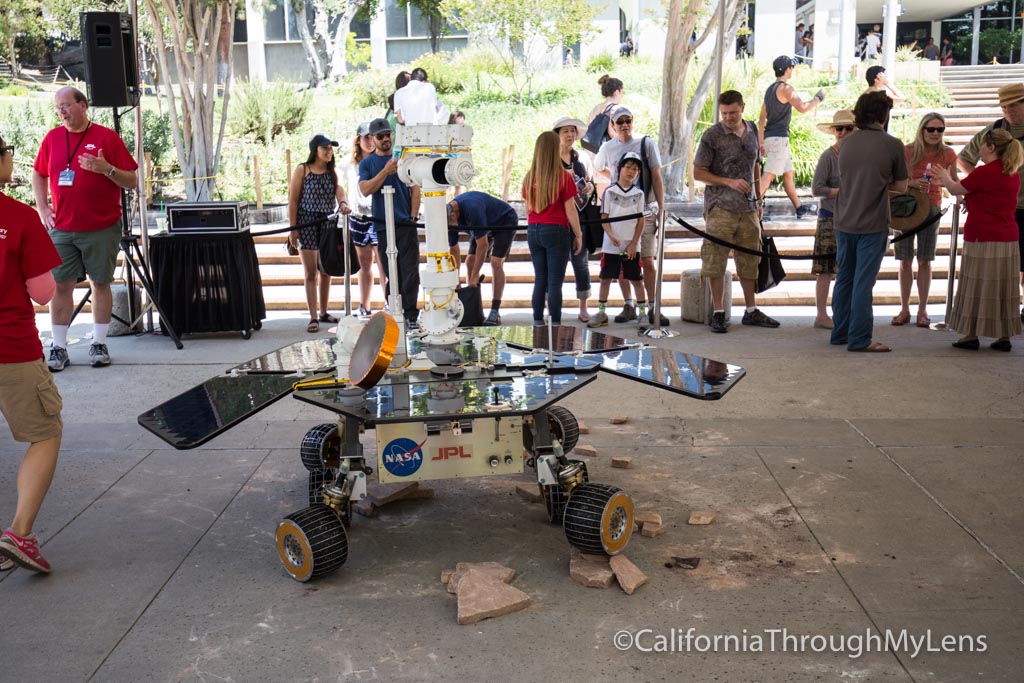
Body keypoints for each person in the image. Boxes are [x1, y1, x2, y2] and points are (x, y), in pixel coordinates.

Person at [31, 86, 138, 371]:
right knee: (61, 285)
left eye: (66, 105)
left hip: (101, 227)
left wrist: (108, 170)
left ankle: (99, 343)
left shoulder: (107, 138)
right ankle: (58, 347)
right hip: (63, 228)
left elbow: (132, 181)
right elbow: (38, 173)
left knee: (100, 283)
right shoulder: (53, 139)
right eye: (58, 108)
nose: (62, 112)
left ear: (82, 106)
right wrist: (42, 207)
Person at [0, 133, 64, 574]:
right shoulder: (19, 217)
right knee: (45, 432)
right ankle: (19, 533)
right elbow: (43, 291)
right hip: (12, 348)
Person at [693, 90, 780, 334]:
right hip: (720, 206)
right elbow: (698, 172)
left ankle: (751, 310)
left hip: (748, 207)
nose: (728, 117)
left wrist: (759, 198)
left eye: (733, 112)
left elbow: (754, 165)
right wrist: (728, 181)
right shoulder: (712, 135)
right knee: (715, 259)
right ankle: (719, 312)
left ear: (742, 108)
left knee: (750, 258)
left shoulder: (752, 129)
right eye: (724, 113)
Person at [831, 91, 908, 353]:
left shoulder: (847, 143)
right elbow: (902, 185)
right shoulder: (892, 144)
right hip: (873, 222)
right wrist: (881, 181)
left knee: (844, 279)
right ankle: (860, 338)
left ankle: (839, 332)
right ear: (884, 114)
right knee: (864, 282)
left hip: (844, 219)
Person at [933, 128, 1022, 351]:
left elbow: (955, 188)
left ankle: (970, 334)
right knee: (1003, 287)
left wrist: (944, 176)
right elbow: (989, 197)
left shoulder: (985, 172)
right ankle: (1004, 337)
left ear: (991, 147)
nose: (979, 149)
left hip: (983, 236)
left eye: (982, 145)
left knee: (976, 284)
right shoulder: (1012, 172)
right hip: (1008, 236)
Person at [593, 105, 669, 326]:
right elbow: (599, 168)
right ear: (613, 125)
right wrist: (618, 179)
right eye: (620, 122)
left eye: (629, 121)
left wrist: (661, 206)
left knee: (646, 258)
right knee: (622, 260)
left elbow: (656, 174)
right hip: (619, 212)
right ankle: (629, 304)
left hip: (644, 207)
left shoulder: (646, 143)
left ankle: (653, 306)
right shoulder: (608, 147)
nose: (625, 125)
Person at [958, 82, 1024, 326]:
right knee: (1003, 270)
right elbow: (965, 159)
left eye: (1014, 105)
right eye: (1004, 106)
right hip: (999, 213)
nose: (1008, 110)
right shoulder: (994, 131)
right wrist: (981, 184)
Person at [891, 113, 957, 328]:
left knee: (925, 260)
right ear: (922, 130)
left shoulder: (948, 154)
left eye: (940, 129)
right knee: (904, 260)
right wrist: (913, 182)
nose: (935, 133)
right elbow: (893, 180)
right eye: (931, 129)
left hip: (932, 208)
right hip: (906, 207)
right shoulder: (906, 151)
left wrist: (945, 182)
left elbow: (954, 183)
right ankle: (904, 308)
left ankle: (922, 309)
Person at [358, 118, 421, 329]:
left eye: (388, 135)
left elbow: (415, 189)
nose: (386, 139)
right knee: (390, 270)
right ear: (372, 139)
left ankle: (411, 313)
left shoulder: (403, 158)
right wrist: (385, 171)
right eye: (381, 136)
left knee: (410, 269)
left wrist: (413, 216)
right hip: (383, 225)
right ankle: (393, 307)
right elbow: (365, 189)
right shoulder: (367, 163)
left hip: (405, 223)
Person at [287, 134, 351, 333]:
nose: (329, 152)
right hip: (307, 222)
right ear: (316, 150)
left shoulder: (333, 172)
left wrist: (343, 202)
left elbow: (340, 190)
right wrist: (293, 228)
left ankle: (323, 311)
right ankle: (313, 316)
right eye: (326, 148)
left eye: (331, 149)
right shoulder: (302, 169)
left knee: (326, 269)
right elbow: (293, 200)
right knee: (310, 272)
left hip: (327, 223)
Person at [523, 131, 583, 326]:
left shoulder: (529, 177)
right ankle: (555, 324)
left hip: (534, 229)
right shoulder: (563, 177)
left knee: (540, 279)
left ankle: (538, 322)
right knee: (555, 282)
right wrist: (579, 234)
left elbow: (527, 210)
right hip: (556, 230)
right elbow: (570, 210)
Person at [758, 56, 823, 219]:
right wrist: (818, 99)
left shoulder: (770, 89)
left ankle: (799, 207)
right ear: (787, 70)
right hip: (779, 139)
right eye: (791, 68)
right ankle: (750, 208)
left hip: (771, 138)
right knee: (768, 176)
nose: (792, 70)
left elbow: (761, 118)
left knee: (788, 174)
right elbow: (802, 107)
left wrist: (760, 141)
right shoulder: (786, 88)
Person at [588, 152, 645, 328]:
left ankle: (642, 313)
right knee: (606, 278)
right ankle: (602, 312)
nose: (630, 171)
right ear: (620, 168)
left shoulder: (639, 193)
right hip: (611, 244)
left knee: (635, 278)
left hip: (631, 244)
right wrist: (611, 235)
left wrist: (634, 243)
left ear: (638, 173)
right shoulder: (610, 192)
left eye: (635, 169)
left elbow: (641, 220)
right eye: (627, 167)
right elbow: (604, 217)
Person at [811, 110, 856, 330]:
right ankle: (821, 314)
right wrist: (842, 191)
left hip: (852, 218)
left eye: (848, 127)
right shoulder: (828, 156)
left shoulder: (858, 156)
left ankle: (844, 311)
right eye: (840, 128)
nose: (844, 132)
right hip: (830, 217)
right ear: (834, 131)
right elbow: (816, 188)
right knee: (826, 269)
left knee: (847, 268)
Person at [446, 191, 519, 325]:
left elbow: (483, 245)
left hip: (504, 221)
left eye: (452, 222)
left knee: (495, 262)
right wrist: (454, 278)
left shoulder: (472, 209)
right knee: (470, 262)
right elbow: (453, 248)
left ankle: (495, 310)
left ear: (453, 214)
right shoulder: (448, 218)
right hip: (485, 223)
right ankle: (473, 306)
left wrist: (475, 275)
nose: (452, 226)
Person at [554, 115, 595, 323]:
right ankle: (553, 305)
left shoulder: (581, 158)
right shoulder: (550, 160)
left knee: (581, 261)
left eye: (573, 131)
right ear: (557, 135)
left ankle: (583, 305)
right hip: (558, 217)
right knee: (556, 264)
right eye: (565, 131)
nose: (570, 135)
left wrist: (589, 187)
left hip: (580, 215)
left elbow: (590, 181)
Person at [345, 122, 386, 316]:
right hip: (358, 216)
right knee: (364, 264)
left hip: (378, 215)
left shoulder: (380, 160)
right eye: (366, 138)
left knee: (384, 262)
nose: (369, 141)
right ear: (358, 140)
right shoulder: (350, 165)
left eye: (372, 137)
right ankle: (365, 305)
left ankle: (389, 302)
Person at [587, 75, 624, 160]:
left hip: (592, 153)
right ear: (617, 92)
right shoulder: (616, 109)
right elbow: (612, 133)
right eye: (622, 92)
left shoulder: (595, 109)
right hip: (607, 155)